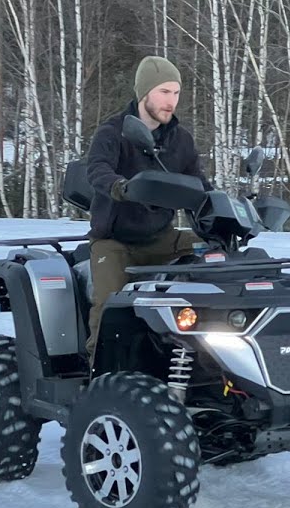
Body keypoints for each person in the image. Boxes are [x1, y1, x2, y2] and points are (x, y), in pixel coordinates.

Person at [83, 55, 214, 361]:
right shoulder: (112, 132)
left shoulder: (180, 140)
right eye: (164, 92)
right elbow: (97, 169)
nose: (172, 101)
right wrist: (120, 187)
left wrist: (222, 210)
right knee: (108, 303)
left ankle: (211, 355)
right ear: (144, 93)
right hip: (115, 242)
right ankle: (98, 370)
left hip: (163, 238)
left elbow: (198, 184)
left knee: (218, 257)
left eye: (176, 93)